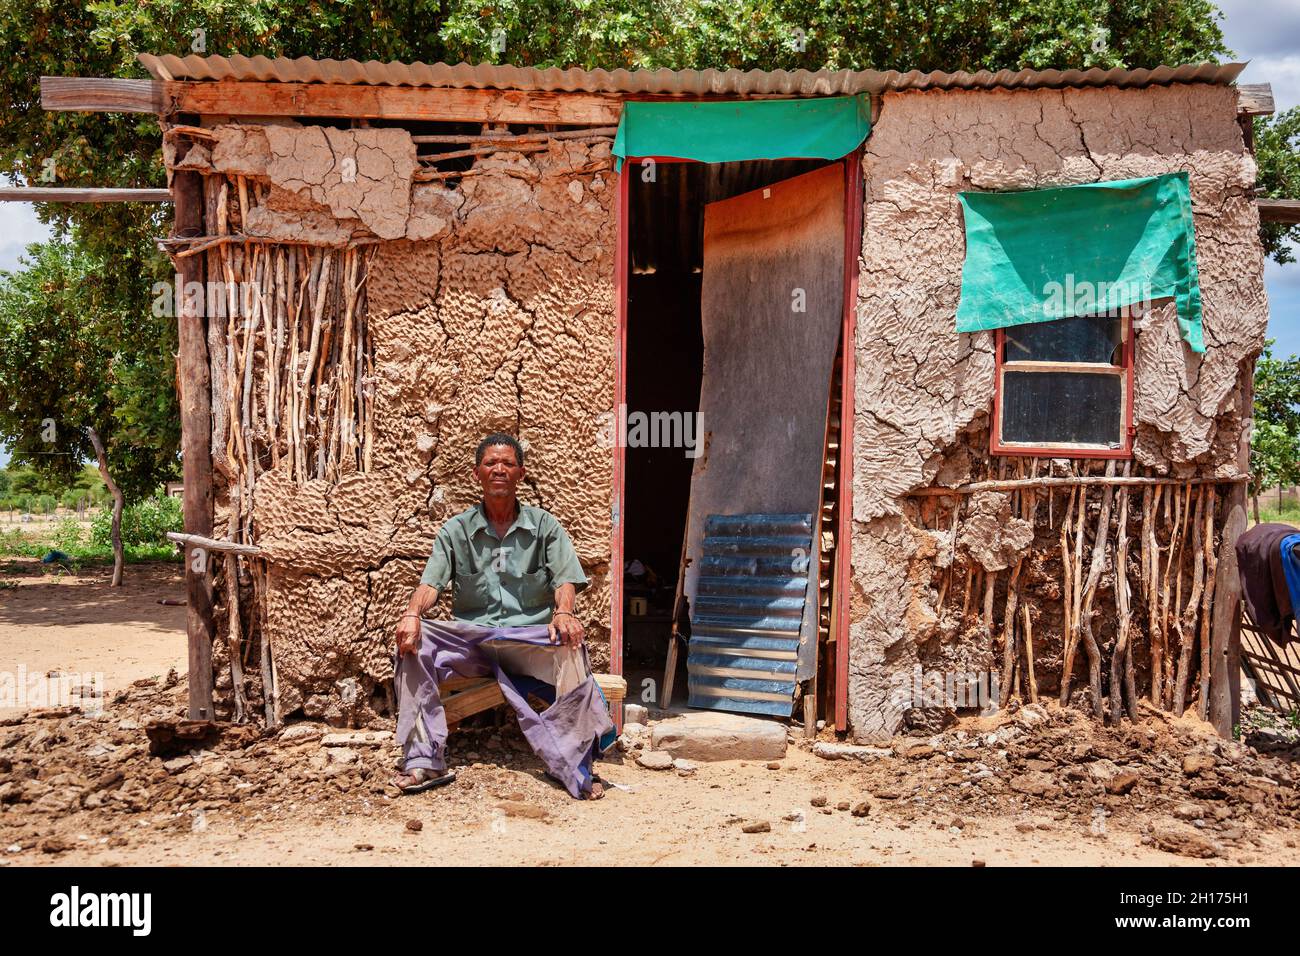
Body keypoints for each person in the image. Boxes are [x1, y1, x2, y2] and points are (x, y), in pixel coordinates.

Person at [390, 433, 614, 799]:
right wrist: (413, 613)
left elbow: (565, 580)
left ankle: (575, 764)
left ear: (520, 474)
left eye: (508, 463)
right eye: (491, 463)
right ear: (478, 473)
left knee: (571, 646)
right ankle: (423, 760)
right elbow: (431, 584)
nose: (499, 469)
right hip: (473, 642)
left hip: (526, 641)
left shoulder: (544, 527)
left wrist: (563, 612)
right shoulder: (456, 531)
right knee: (415, 644)